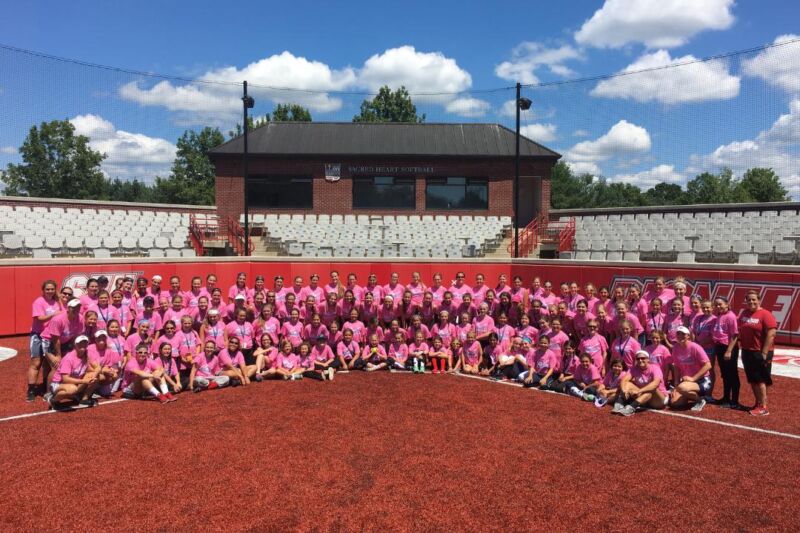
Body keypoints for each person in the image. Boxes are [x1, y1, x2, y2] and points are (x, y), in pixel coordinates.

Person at [737, 290, 777, 416]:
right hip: (746, 350)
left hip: (760, 351)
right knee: (752, 379)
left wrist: (764, 352)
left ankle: (764, 407)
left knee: (760, 380)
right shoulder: (744, 313)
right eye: (749, 300)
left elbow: (771, 334)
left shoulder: (765, 314)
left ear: (759, 300)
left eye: (754, 299)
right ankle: (758, 403)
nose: (751, 302)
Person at [27, 280, 62, 401]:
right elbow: (40, 318)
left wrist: (59, 299)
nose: (50, 291)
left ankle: (44, 386)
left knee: (48, 364)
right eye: (47, 289)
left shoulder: (56, 301)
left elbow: (63, 312)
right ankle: (31, 390)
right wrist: (53, 314)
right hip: (38, 335)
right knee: (36, 363)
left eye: (52, 289)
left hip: (50, 336)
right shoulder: (39, 302)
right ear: (43, 290)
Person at [47, 335, 99, 409]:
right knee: (72, 389)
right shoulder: (69, 358)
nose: (83, 345)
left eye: (85, 343)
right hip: (59, 383)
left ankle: (84, 399)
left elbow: (96, 367)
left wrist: (94, 375)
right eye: (80, 343)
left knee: (95, 376)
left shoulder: (86, 355)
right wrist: (84, 381)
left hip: (74, 381)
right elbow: (65, 379)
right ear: (75, 345)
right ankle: (53, 400)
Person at [670, 326, 713, 412]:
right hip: (687, 381)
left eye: (683, 334)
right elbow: (676, 366)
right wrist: (676, 382)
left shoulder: (695, 347)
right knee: (674, 403)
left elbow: (708, 365)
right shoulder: (675, 348)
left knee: (682, 388)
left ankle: (700, 400)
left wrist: (693, 378)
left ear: (688, 336)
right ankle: (692, 395)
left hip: (702, 380)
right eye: (678, 334)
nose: (680, 336)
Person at [614, 350, 668, 416]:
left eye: (643, 358)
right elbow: (624, 380)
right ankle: (620, 403)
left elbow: (655, 384)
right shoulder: (633, 369)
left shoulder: (655, 368)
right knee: (627, 384)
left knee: (651, 389)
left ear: (648, 359)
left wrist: (639, 391)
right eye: (638, 359)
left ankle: (631, 407)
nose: (640, 360)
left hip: (658, 400)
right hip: (644, 397)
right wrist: (623, 390)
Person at [713, 297, 740, 409]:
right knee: (725, 374)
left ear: (727, 304)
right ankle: (726, 398)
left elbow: (735, 335)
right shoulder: (719, 315)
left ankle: (734, 401)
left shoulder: (730, 316)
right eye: (716, 305)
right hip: (720, 347)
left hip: (728, 348)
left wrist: (729, 351)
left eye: (720, 304)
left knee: (732, 374)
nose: (718, 306)